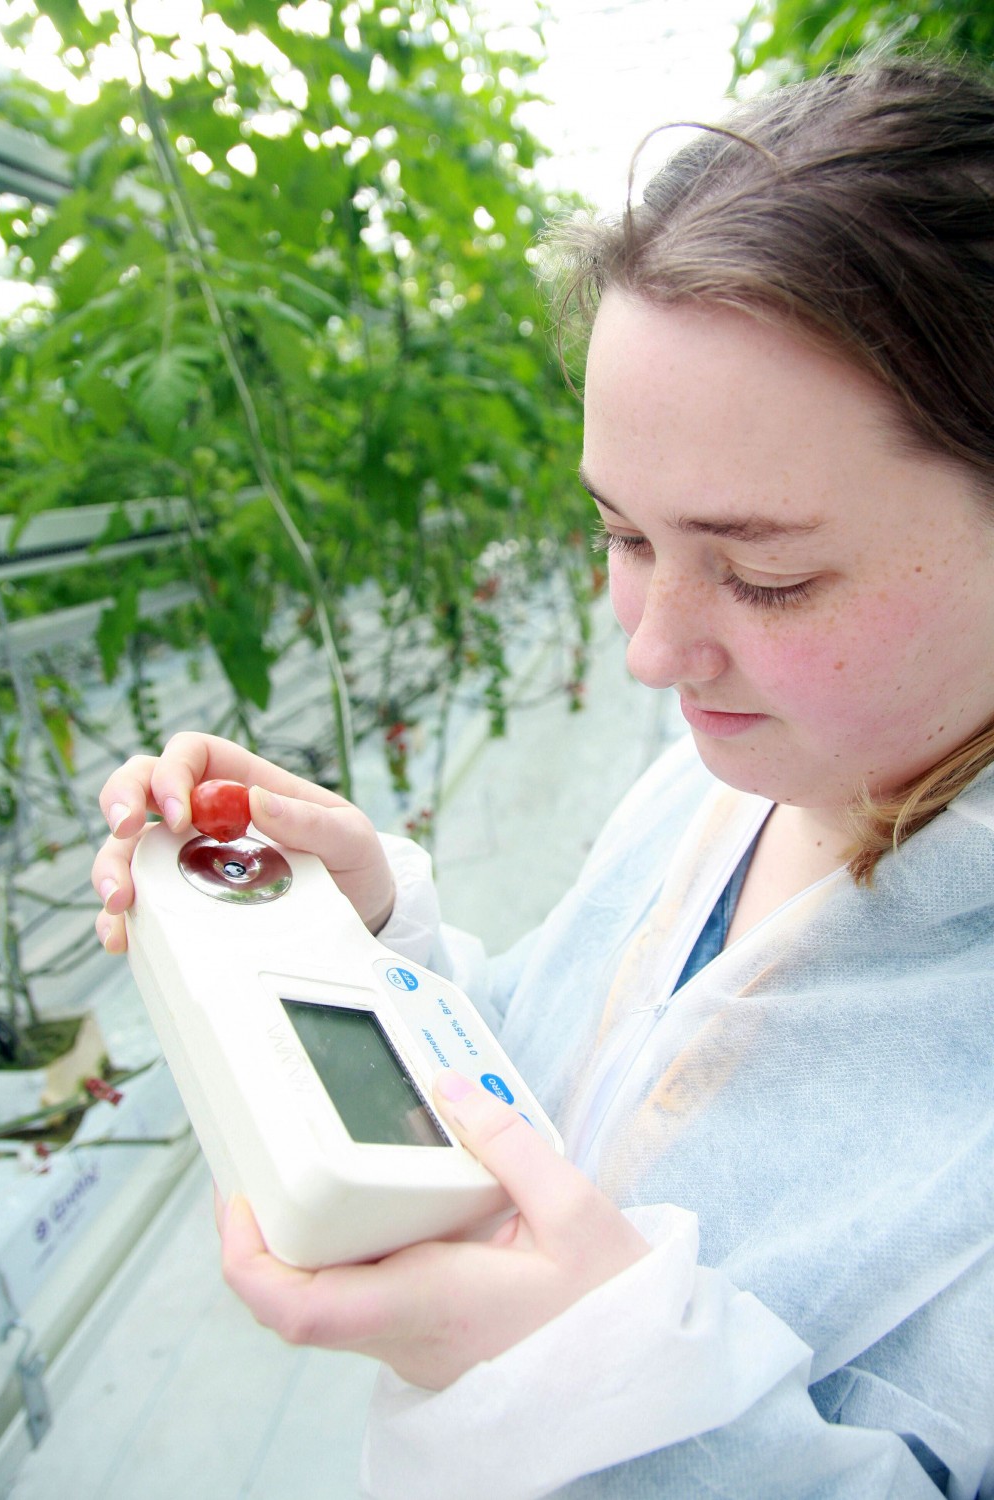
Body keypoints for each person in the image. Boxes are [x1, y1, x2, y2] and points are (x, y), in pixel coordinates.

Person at [91, 52, 994, 1500]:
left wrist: (602, 1385)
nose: (648, 651)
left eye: (764, 577)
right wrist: (378, 943)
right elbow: (585, 1079)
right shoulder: (743, 775)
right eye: (626, 538)